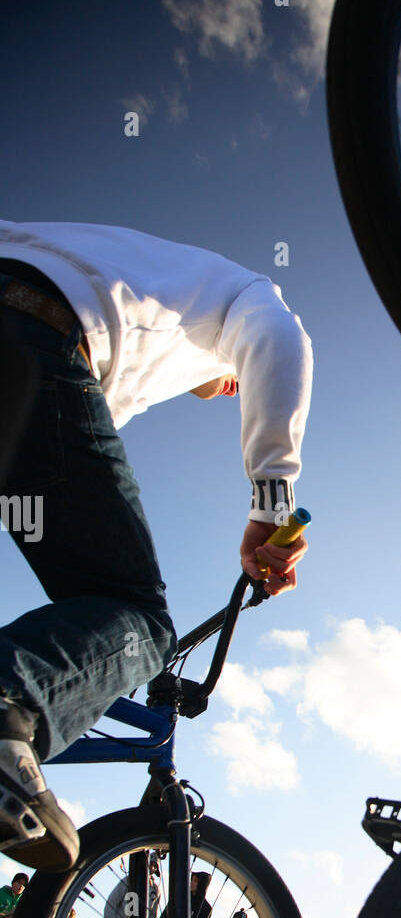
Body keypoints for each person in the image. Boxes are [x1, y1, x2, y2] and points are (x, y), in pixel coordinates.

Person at [0, 220, 313, 873]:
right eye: (234, 378)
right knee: (136, 613)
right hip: (33, 333)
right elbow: (280, 337)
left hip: (31, 344)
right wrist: (272, 504)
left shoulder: (115, 289)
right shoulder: (236, 292)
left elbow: (65, 463)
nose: (231, 388)